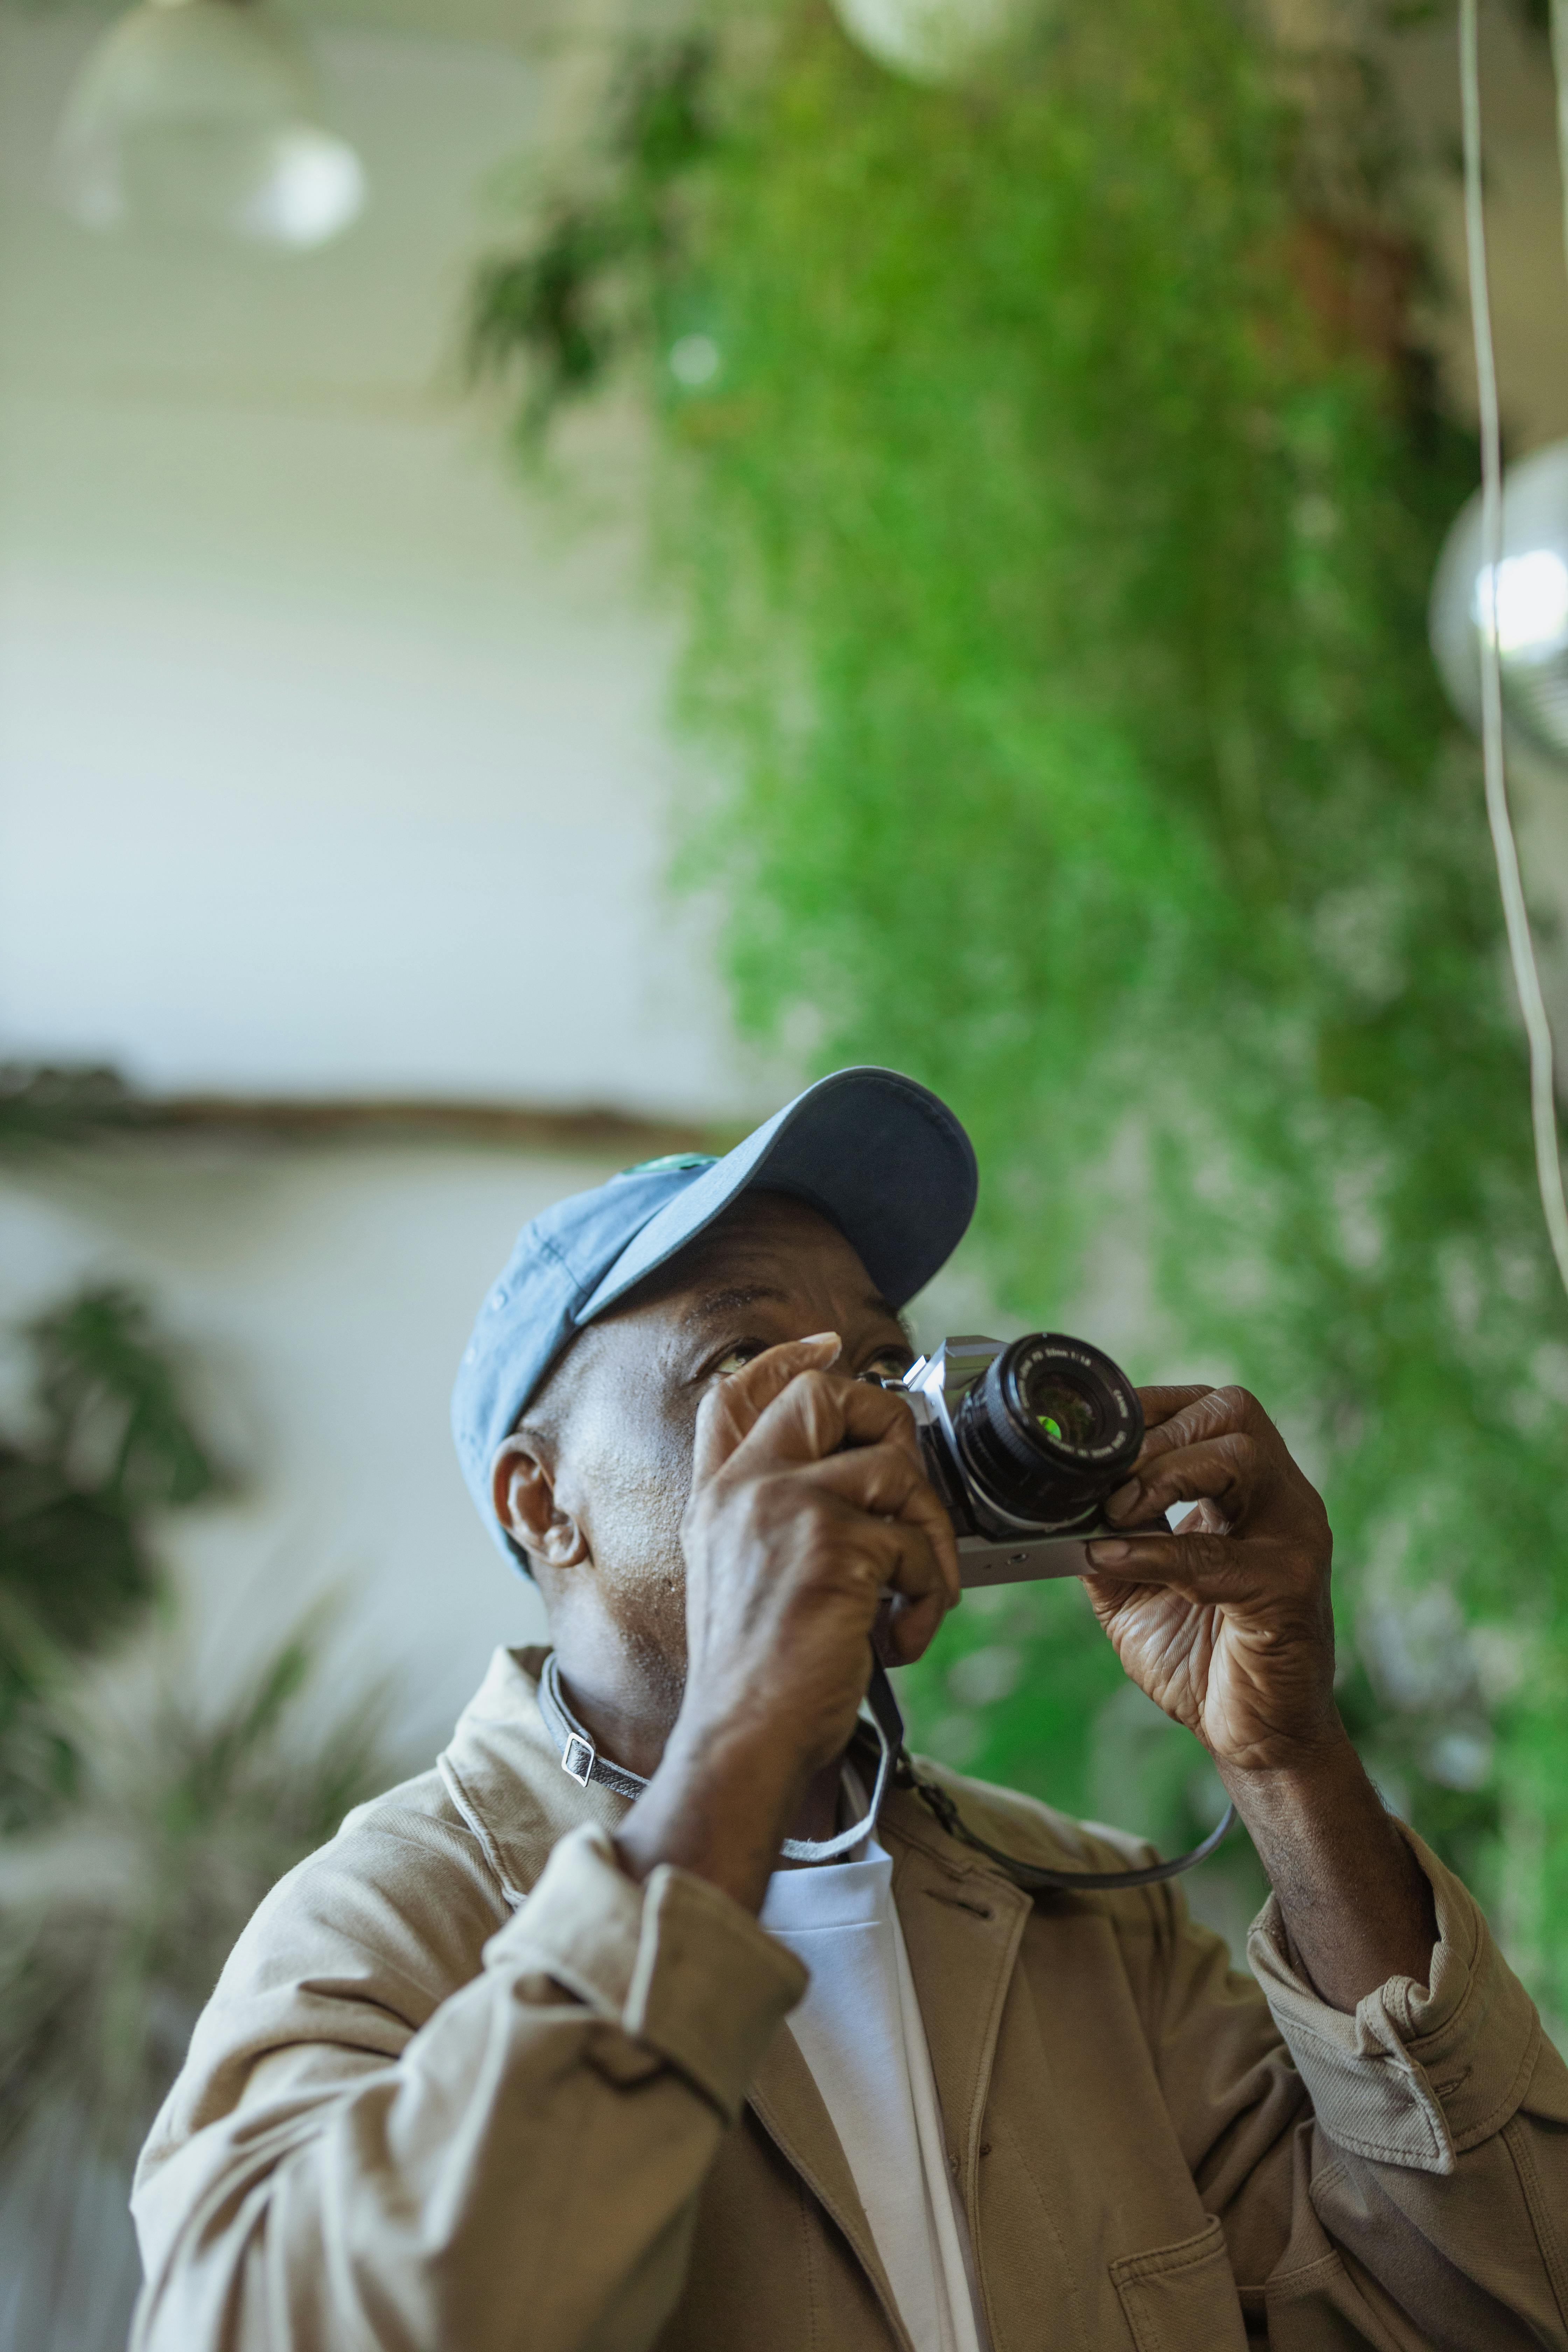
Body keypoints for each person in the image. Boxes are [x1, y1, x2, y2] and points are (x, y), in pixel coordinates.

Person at [130, 1068, 1568, 2352]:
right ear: (542, 1501)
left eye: (885, 1367)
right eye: (744, 1371)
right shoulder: (384, 1925)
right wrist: (745, 1733)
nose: (864, 1424)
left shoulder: (1086, 1924)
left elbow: (1493, 2307)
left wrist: (1290, 1759)